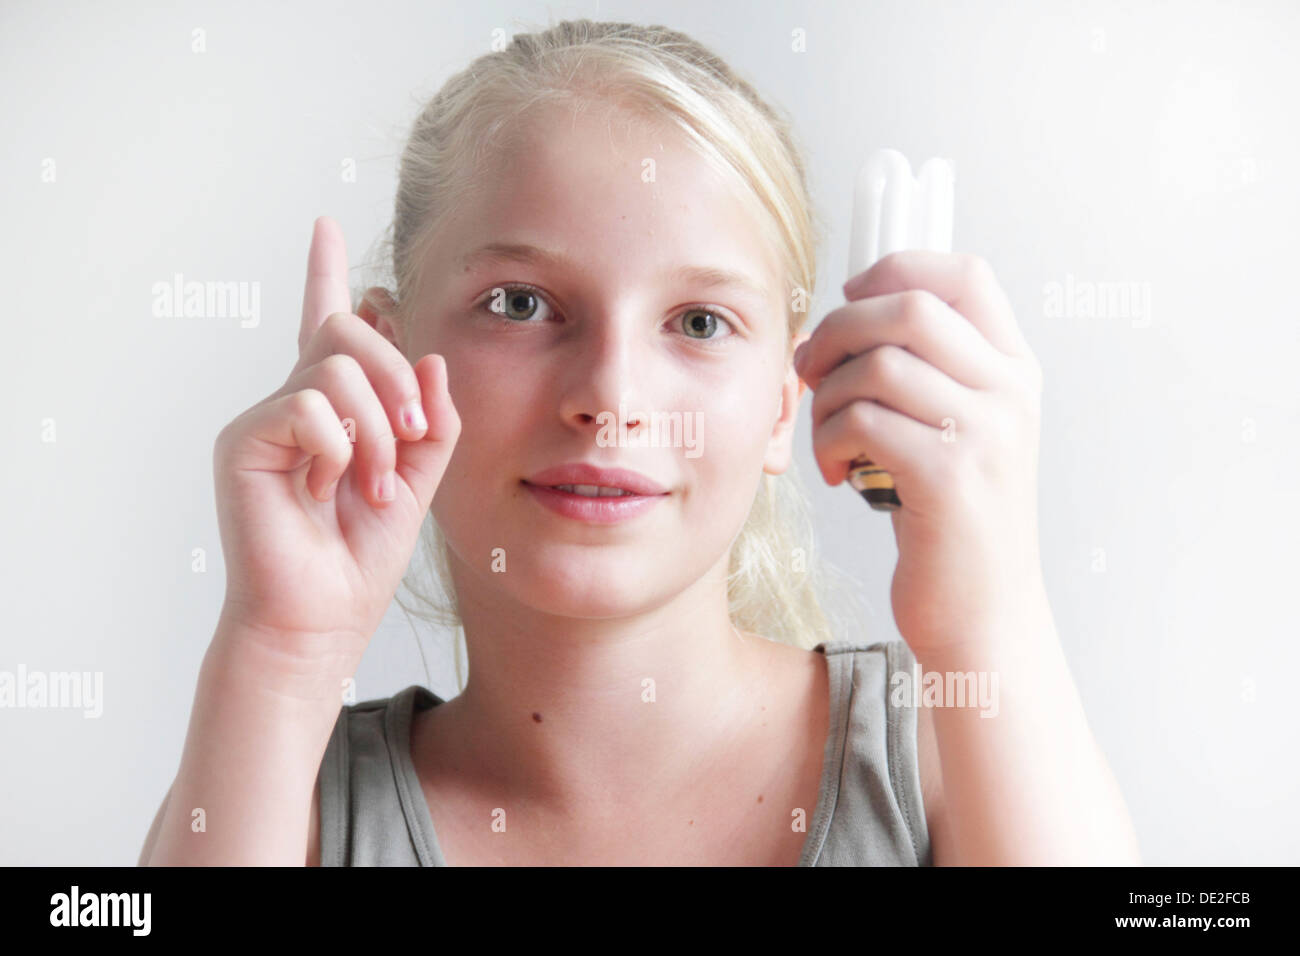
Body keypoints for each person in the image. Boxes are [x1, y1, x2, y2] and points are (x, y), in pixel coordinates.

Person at [140, 19, 1140, 866]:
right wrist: (280, 651)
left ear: (783, 405)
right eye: (521, 304)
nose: (609, 398)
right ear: (388, 356)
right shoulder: (291, 810)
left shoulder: (940, 752)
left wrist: (988, 609)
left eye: (699, 321)